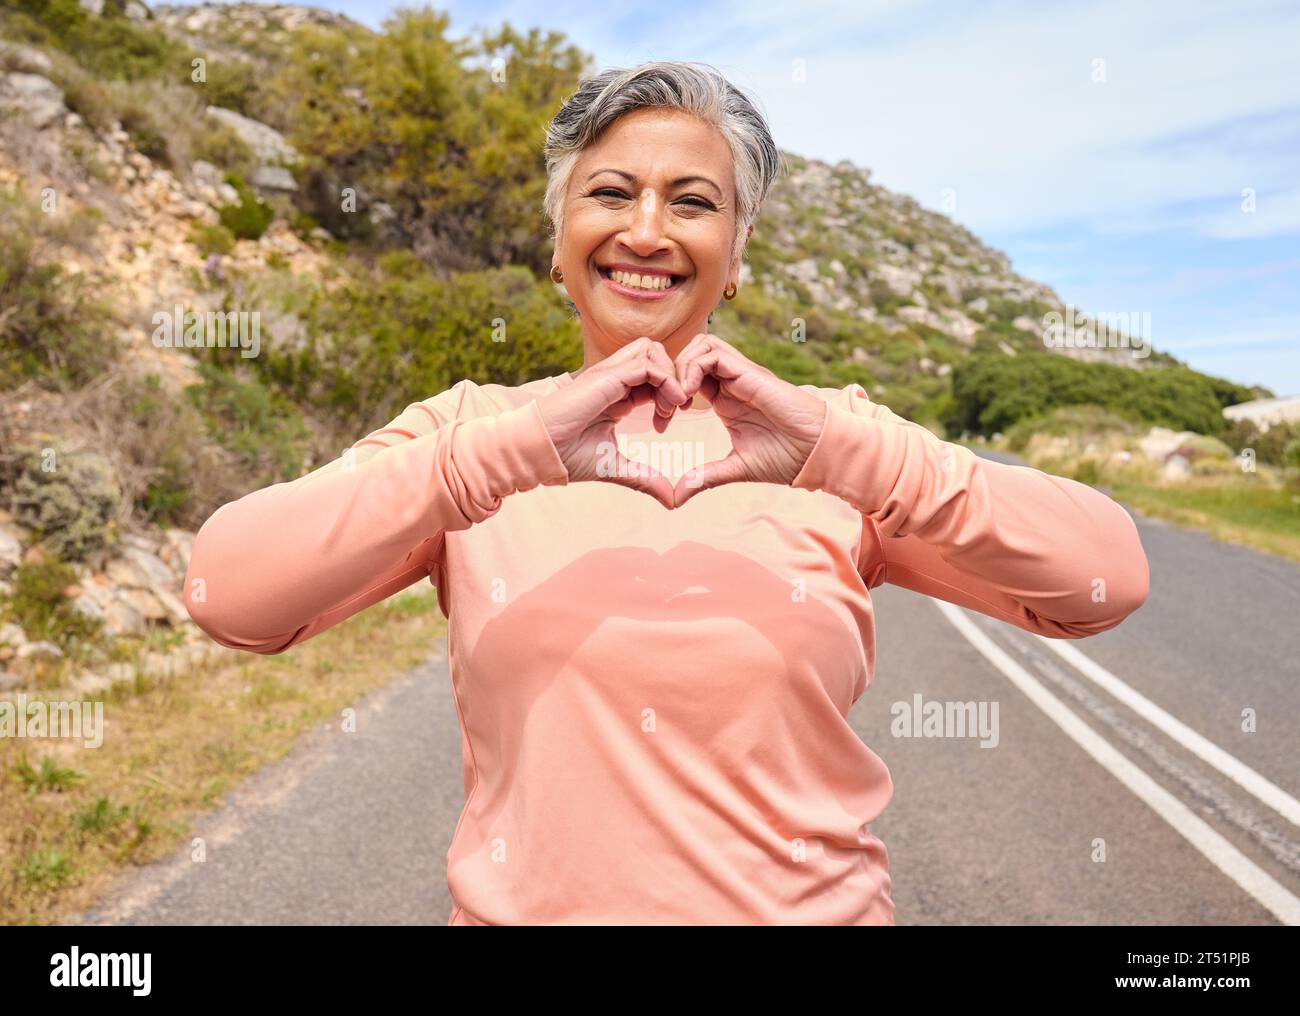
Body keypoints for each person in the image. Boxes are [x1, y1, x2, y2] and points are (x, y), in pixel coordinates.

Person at [184, 61, 1150, 925]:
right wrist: (496, 459)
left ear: (737, 255)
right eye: (610, 193)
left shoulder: (831, 441)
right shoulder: (471, 433)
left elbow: (1105, 580)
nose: (646, 231)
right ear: (559, 242)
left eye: (693, 203)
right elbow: (227, 595)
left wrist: (861, 458)